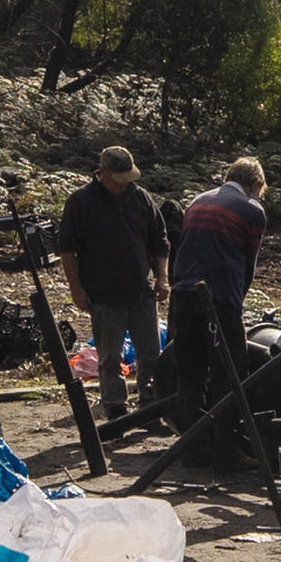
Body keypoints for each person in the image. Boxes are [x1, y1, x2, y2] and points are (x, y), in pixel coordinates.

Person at [162, 155, 270, 466]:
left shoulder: (198, 200)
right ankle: (227, 452)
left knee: (190, 375)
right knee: (229, 373)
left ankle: (192, 452)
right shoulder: (252, 210)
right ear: (254, 184)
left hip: (183, 293)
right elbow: (248, 263)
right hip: (218, 297)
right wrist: (237, 301)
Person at [55, 147, 169, 430]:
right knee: (109, 356)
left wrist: (162, 277)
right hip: (103, 294)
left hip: (141, 292)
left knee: (151, 353)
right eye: (117, 178)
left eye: (126, 178)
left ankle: (150, 407)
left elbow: (160, 242)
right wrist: (76, 288)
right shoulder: (81, 202)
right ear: (102, 172)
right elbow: (67, 249)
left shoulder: (141, 198)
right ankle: (116, 409)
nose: (122, 184)